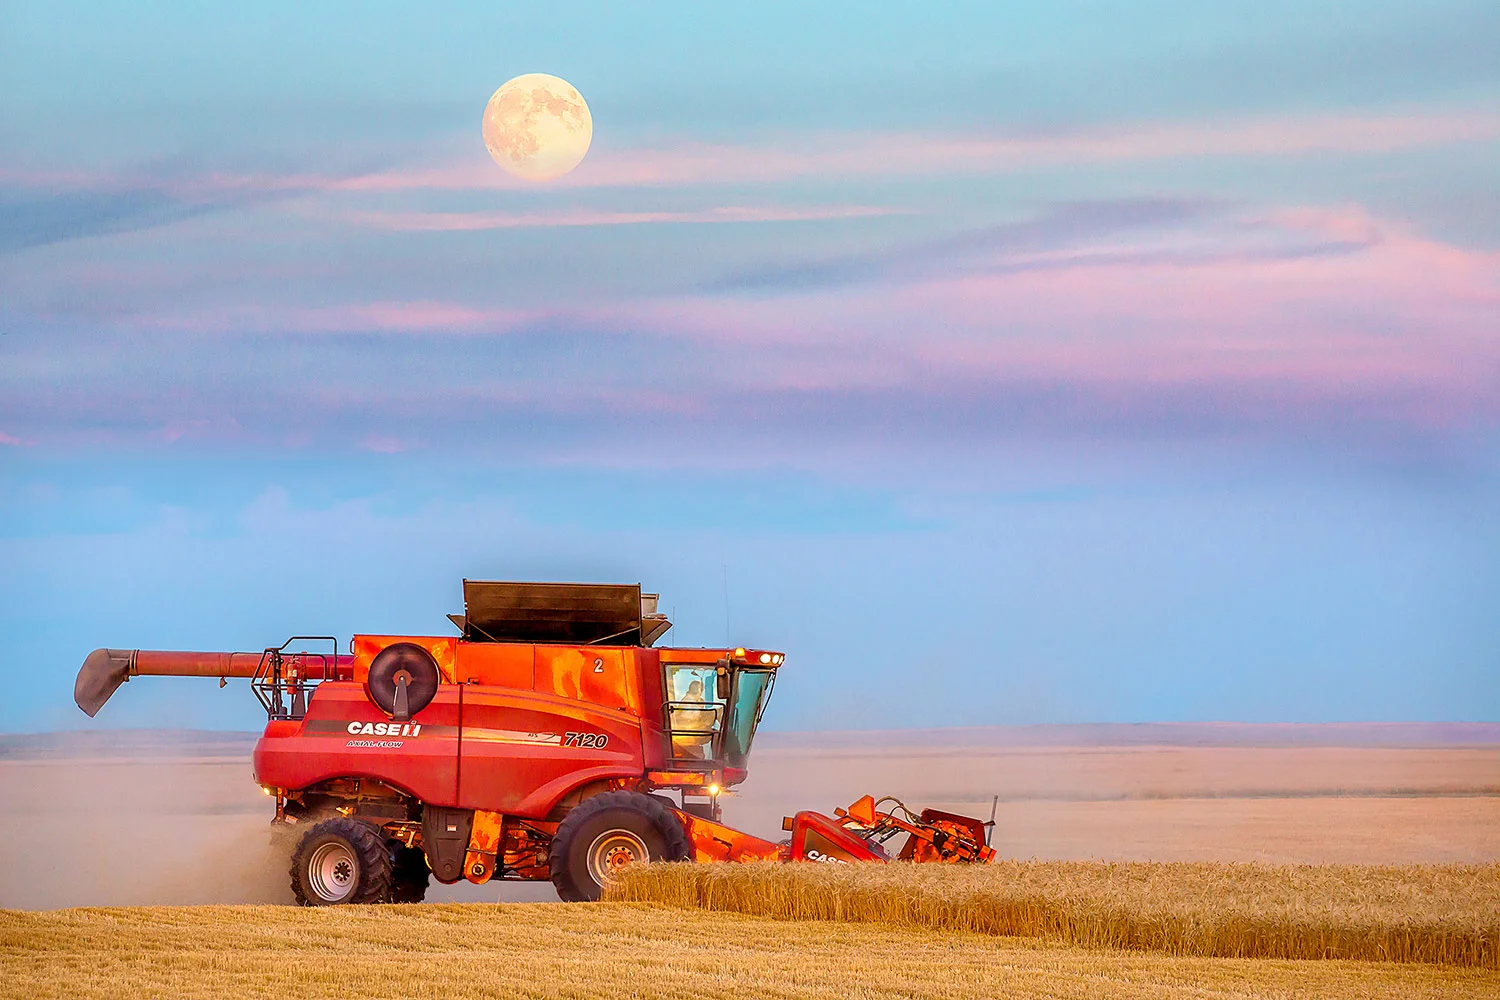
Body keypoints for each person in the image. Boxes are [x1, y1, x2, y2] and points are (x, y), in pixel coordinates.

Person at [671, 677, 718, 759]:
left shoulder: (689, 700)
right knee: (716, 734)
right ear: (698, 690)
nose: (701, 693)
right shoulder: (688, 701)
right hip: (688, 731)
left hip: (689, 730)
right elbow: (690, 717)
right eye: (701, 691)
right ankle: (719, 757)